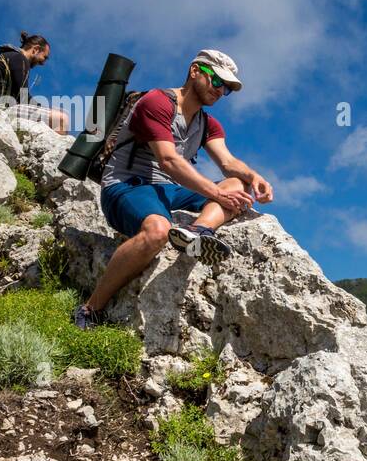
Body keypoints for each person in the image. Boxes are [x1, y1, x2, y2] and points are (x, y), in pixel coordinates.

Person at [72, 49, 274, 330]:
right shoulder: (156, 102)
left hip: (169, 189)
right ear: (195, 71)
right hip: (127, 184)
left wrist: (254, 177)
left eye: (226, 89)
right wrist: (216, 195)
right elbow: (168, 160)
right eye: (217, 82)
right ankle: (91, 308)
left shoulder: (207, 124)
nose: (220, 91)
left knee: (236, 186)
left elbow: (227, 163)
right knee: (157, 232)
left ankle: (197, 232)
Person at [0, 32, 70, 134]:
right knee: (61, 118)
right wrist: (45, 108)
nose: (43, 63)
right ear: (36, 49)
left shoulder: (7, 56)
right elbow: (23, 97)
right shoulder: (19, 59)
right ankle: (58, 149)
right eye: (44, 57)